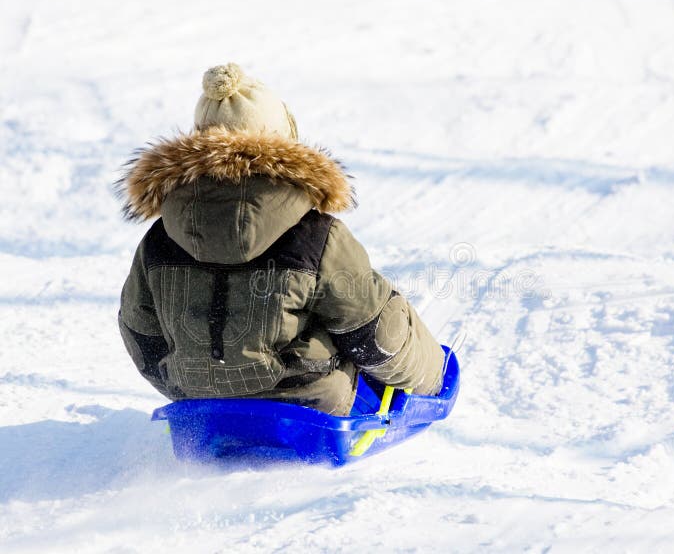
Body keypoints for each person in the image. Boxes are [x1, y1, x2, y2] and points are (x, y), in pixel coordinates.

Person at [116, 63, 444, 415]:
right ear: (285, 144)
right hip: (307, 413)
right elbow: (376, 331)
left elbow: (141, 333)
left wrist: (193, 388)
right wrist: (435, 380)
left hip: (202, 409)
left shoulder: (159, 238)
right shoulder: (317, 236)